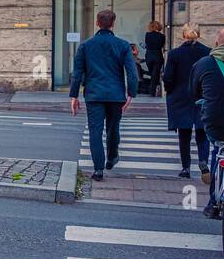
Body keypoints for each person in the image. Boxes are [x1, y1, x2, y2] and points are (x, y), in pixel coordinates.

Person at [69, 9, 139, 181]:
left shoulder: (86, 45)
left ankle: (98, 169)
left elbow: (77, 73)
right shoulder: (123, 45)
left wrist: (74, 96)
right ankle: (112, 156)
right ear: (113, 24)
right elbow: (131, 72)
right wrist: (131, 93)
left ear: (97, 23)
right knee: (113, 128)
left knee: (95, 130)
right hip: (116, 94)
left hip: (94, 94)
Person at [193, 25, 224, 220]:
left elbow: (193, 92)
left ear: (216, 43)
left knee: (218, 152)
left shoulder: (203, 63)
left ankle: (213, 204)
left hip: (214, 123)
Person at [162, 23, 211, 180]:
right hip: (202, 95)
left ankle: (185, 167)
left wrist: (170, 90)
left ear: (183, 35)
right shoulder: (208, 53)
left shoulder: (175, 54)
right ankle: (203, 161)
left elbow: (168, 77)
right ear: (199, 34)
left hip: (181, 95)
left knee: (184, 134)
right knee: (202, 132)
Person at [144, 21, 166, 96]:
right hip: (158, 55)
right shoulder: (162, 36)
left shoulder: (147, 35)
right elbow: (162, 45)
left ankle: (152, 89)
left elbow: (147, 44)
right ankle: (153, 90)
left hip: (149, 56)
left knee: (152, 73)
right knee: (155, 73)